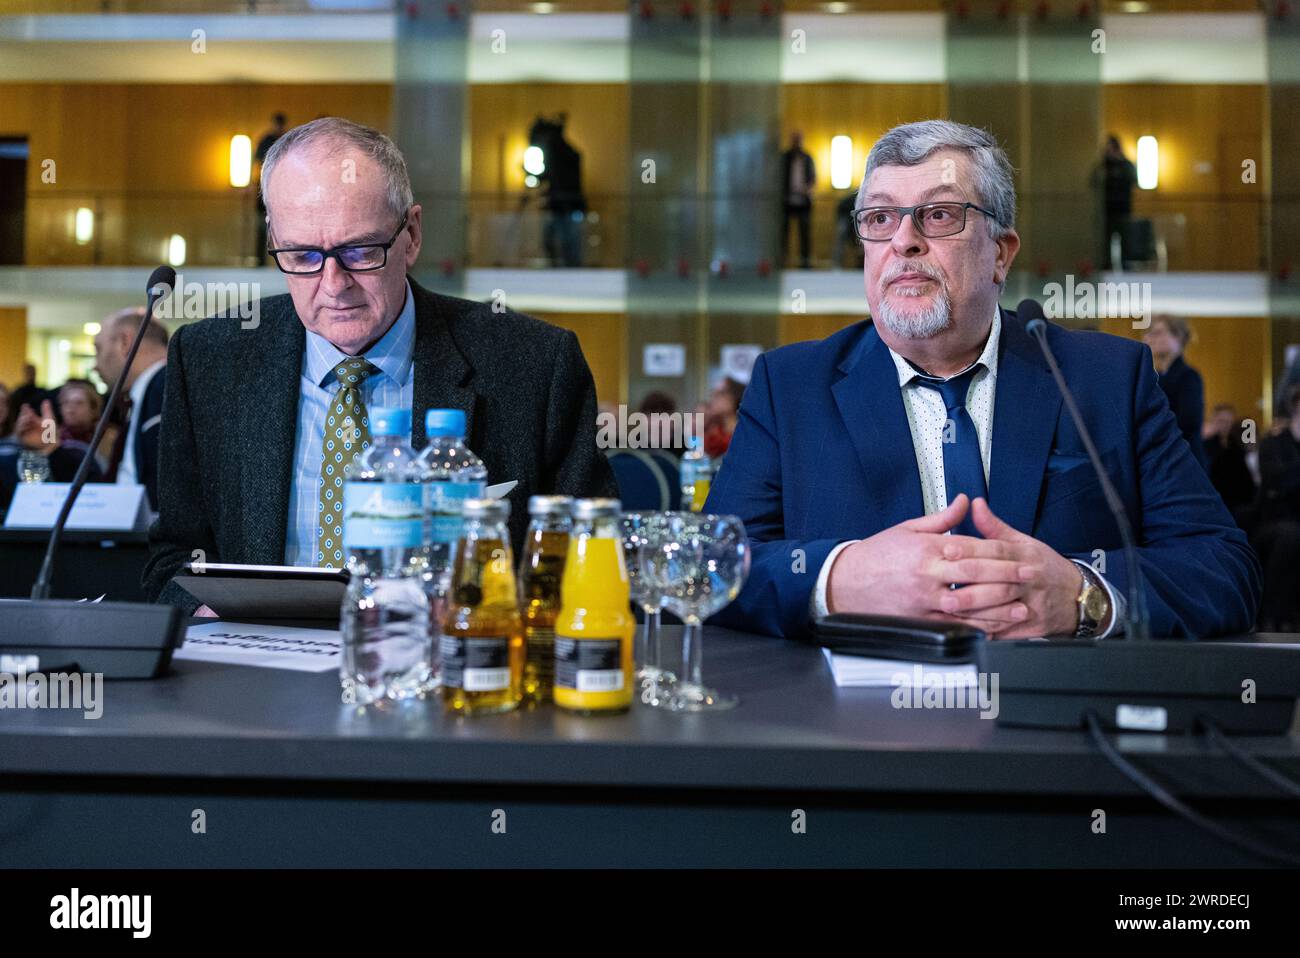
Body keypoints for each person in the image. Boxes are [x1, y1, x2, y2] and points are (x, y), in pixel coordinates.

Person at [706, 119, 1260, 640]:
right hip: (855, 724)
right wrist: (836, 580)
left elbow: (1223, 569)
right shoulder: (790, 386)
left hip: (1048, 723)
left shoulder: (1107, 379)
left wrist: (1080, 594)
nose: (904, 241)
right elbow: (713, 566)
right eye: (880, 218)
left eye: (940, 215)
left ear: (1000, 253)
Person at [142, 117, 616, 613]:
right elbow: (173, 558)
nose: (334, 283)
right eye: (302, 255)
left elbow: (589, 561)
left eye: (359, 251)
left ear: (410, 235)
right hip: (259, 675)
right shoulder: (208, 360)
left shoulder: (533, 364)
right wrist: (215, 617)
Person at [93, 306, 168, 511]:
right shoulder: (153, 390)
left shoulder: (166, 390)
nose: (95, 365)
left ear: (125, 343)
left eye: (98, 349)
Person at [1251, 385, 1300, 631]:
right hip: (1271, 521)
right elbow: (1275, 482)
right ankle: (1272, 615)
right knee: (1291, 536)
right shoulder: (1274, 442)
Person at [1142, 314, 1208, 471]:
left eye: (1158, 332)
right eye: (1150, 333)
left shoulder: (1188, 376)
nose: (1150, 338)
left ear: (1177, 337)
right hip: (1166, 459)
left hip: (1184, 461)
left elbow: (1188, 422)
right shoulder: (1155, 377)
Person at [1202, 403, 1256, 518]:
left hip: (1239, 500)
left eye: (1229, 422)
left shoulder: (1239, 445)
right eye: (1221, 421)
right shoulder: (1205, 445)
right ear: (1213, 421)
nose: (1225, 425)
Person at [1091, 134, 1137, 270]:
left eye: (1109, 148)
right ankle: (1107, 266)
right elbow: (1093, 181)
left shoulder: (1126, 165)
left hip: (1123, 210)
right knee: (1106, 242)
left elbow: (1133, 180)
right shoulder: (1103, 166)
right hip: (1107, 211)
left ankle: (1126, 265)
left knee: (1126, 240)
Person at [254, 112, 288, 264]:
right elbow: (257, 163)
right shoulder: (268, 140)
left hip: (282, 189)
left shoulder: (286, 140)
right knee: (262, 227)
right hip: (266, 188)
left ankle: (283, 260)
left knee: (283, 229)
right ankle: (260, 260)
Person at [781, 131, 815, 269]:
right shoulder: (784, 158)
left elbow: (812, 178)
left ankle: (805, 262)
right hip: (786, 201)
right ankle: (782, 260)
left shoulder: (807, 158)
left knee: (805, 232)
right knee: (784, 232)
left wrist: (805, 189)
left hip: (803, 201)